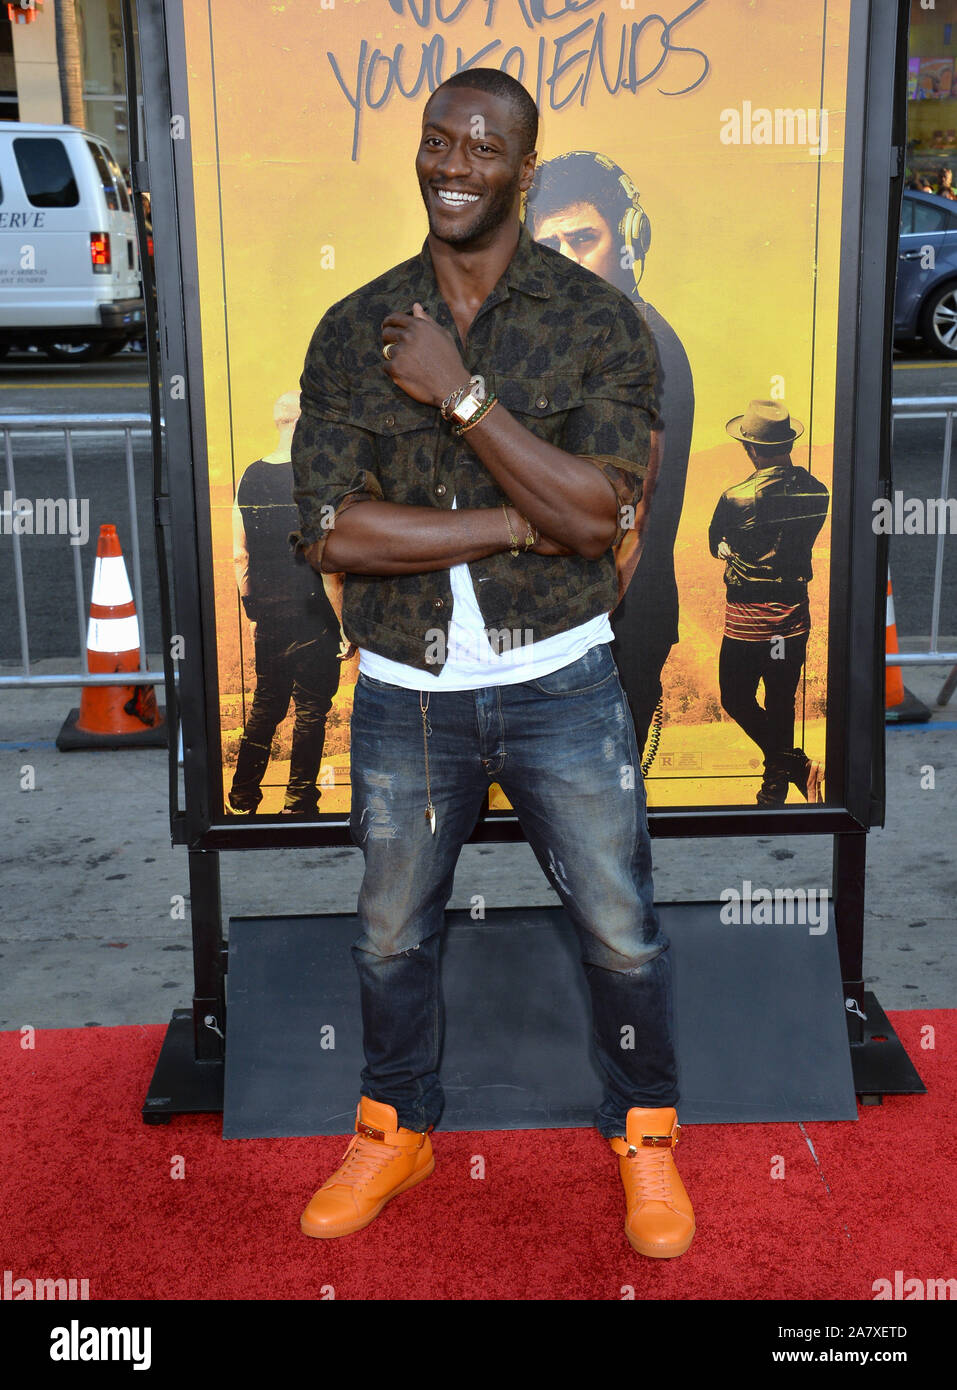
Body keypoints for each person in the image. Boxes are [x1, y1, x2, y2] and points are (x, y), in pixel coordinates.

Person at [290, 67, 694, 1259]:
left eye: (483, 147)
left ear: (524, 167)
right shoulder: (355, 326)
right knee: (390, 934)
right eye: (436, 141)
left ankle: (649, 1138)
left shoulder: (598, 321)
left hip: (563, 679)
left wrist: (462, 398)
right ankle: (394, 1126)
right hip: (408, 693)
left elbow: (599, 514)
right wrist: (515, 520)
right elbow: (331, 530)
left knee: (621, 931)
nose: (453, 164)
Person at [525, 153, 694, 762]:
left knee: (600, 824)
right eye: (550, 244)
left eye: (584, 238)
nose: (566, 259)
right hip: (589, 626)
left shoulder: (639, 345)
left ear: (628, 237)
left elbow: (632, 523)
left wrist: (569, 641)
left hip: (611, 629)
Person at [708, 400, 830, 807]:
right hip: (793, 614)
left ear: (751, 449)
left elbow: (716, 541)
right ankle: (780, 776)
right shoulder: (818, 492)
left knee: (735, 697)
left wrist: (727, 547)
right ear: (788, 442)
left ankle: (787, 768)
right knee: (781, 697)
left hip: (745, 617)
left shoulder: (734, 497)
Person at [228, 391, 342, 816]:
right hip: (315, 612)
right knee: (311, 709)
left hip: (270, 612)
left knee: (266, 703)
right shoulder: (317, 480)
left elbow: (239, 553)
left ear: (278, 422)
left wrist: (251, 604)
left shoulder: (248, 476)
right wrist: (344, 624)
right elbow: (329, 563)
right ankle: (298, 799)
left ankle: (242, 796)